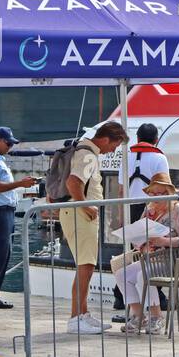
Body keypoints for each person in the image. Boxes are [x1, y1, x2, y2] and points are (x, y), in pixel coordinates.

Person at [60, 120, 129, 334]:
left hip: (77, 213)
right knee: (86, 265)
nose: (112, 151)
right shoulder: (89, 154)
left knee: (86, 265)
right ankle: (76, 318)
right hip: (79, 214)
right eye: (114, 146)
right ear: (106, 139)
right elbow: (73, 183)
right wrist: (86, 206)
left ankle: (82, 314)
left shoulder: (85, 151)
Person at [112, 172, 179, 334]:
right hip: (150, 259)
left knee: (142, 275)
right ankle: (138, 317)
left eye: (161, 193)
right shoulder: (148, 209)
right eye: (153, 193)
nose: (156, 197)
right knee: (122, 274)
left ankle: (156, 317)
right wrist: (142, 246)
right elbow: (139, 236)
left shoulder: (178, 211)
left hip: (172, 260)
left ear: (170, 193)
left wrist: (165, 242)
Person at [112, 122, 171, 312]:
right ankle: (156, 295)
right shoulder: (159, 158)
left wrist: (121, 216)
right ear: (156, 140)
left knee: (133, 252)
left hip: (130, 208)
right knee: (152, 251)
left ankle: (121, 295)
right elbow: (163, 187)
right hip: (151, 208)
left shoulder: (126, 157)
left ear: (137, 139)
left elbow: (121, 190)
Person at [0, 126, 37, 310]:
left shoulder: (0, 160)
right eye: (8, 142)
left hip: (7, 210)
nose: (10, 146)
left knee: (6, 254)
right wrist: (20, 183)